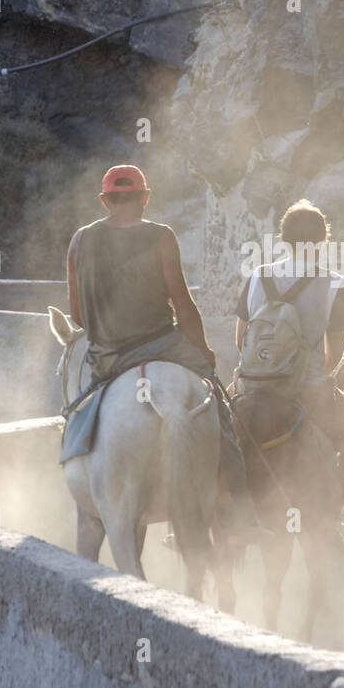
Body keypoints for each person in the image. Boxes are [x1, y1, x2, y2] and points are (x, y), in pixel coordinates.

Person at [66, 164, 268, 538]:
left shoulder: (80, 239)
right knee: (219, 409)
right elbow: (184, 305)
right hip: (161, 345)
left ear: (105, 200)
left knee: (76, 412)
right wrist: (204, 352)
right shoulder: (161, 236)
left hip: (106, 355)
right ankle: (240, 513)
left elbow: (77, 313)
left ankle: (83, 492)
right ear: (145, 198)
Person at [233, 199, 344, 529]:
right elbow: (335, 351)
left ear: (283, 239)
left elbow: (241, 340)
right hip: (305, 389)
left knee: (212, 433)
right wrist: (318, 379)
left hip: (251, 385)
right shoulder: (333, 282)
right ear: (323, 241)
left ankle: (216, 515)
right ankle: (330, 515)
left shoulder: (256, 276)